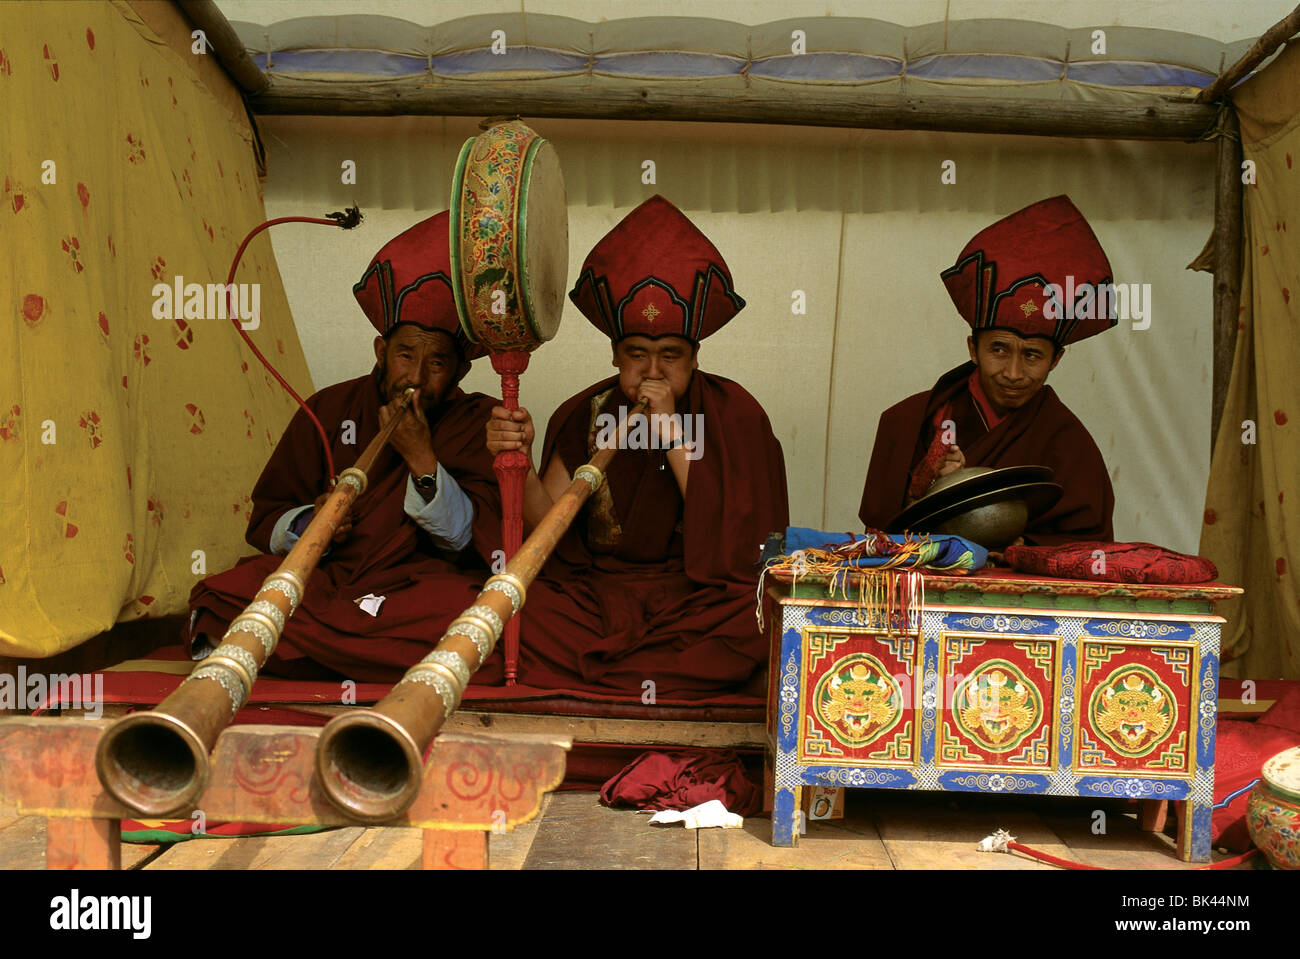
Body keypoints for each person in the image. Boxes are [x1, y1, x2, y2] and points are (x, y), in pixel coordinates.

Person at [483, 195, 789, 699]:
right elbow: (547, 528)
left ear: (694, 357)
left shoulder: (734, 412)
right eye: (637, 355)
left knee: (760, 618)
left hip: (698, 601)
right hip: (601, 600)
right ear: (614, 354)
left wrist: (670, 430)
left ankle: (602, 680)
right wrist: (518, 460)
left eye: (670, 356)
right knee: (519, 610)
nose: (652, 372)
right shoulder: (588, 413)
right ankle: (651, 679)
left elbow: (744, 549)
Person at [187, 212, 503, 681]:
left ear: (460, 372)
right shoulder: (331, 406)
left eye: (437, 362)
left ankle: (308, 653)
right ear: (380, 352)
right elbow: (267, 518)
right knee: (223, 593)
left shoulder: (476, 420)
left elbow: (470, 539)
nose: (416, 377)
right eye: (404, 355)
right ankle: (364, 658)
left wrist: (421, 458)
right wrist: (309, 523)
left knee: (473, 615)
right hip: (327, 581)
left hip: (413, 587)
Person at [859, 195, 1116, 546]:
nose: (1013, 372)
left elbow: (1087, 547)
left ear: (1056, 360)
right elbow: (880, 532)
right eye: (999, 349)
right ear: (973, 350)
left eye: (1032, 355)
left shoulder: (1069, 444)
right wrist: (928, 492)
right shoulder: (906, 422)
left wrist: (1022, 547)